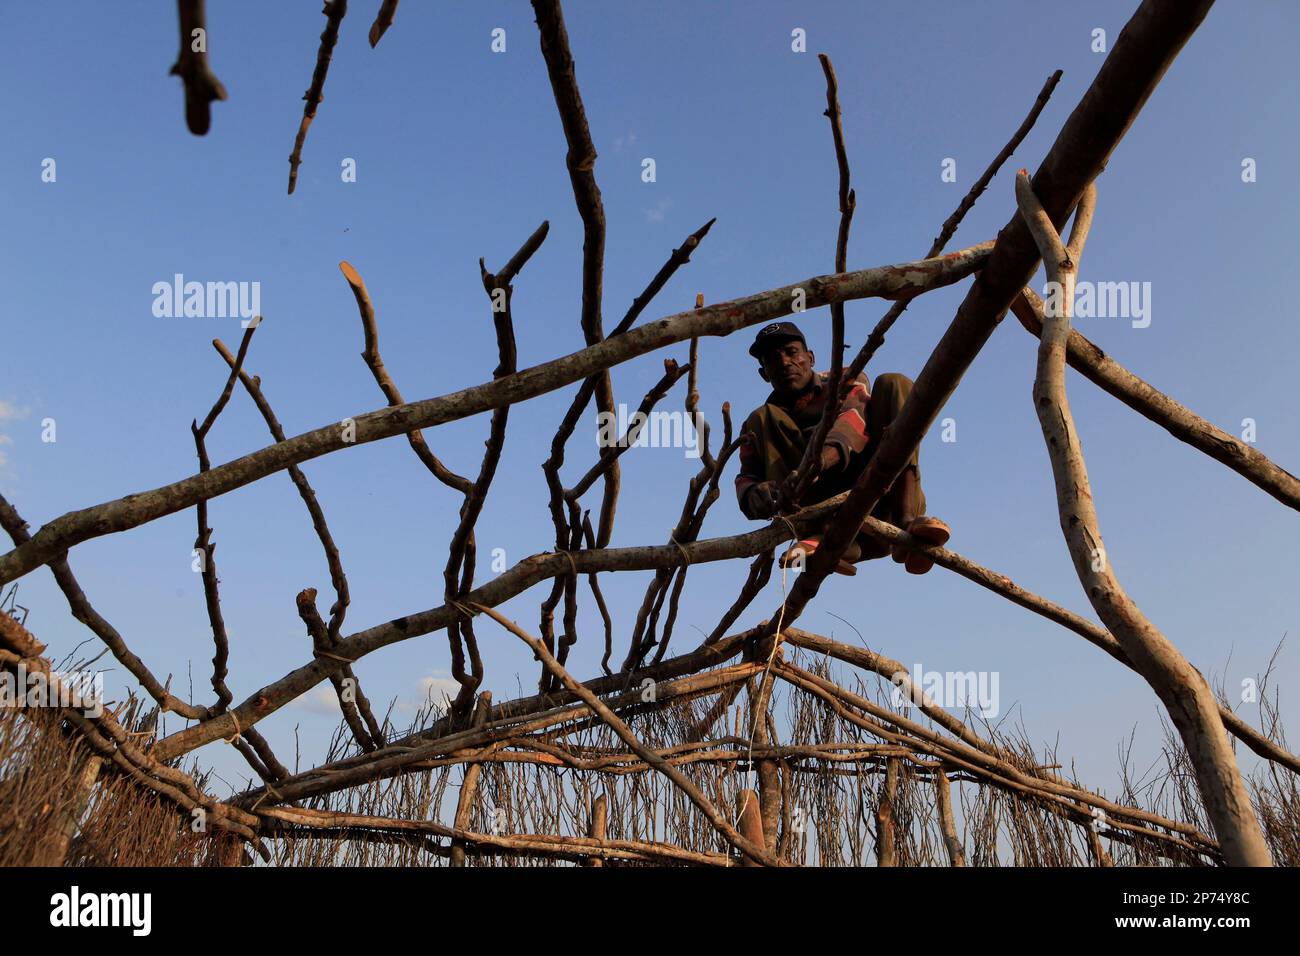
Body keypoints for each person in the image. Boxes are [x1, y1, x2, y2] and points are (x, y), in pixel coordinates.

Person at [734, 321, 951, 575]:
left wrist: (818, 463)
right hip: (817, 516)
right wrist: (752, 494)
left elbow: (850, 426)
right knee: (762, 417)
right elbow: (746, 476)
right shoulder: (759, 423)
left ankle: (905, 525)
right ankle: (835, 542)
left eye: (791, 352)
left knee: (895, 384)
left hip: (879, 498)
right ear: (764, 374)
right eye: (772, 359)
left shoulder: (847, 380)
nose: (784, 363)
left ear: (810, 357)